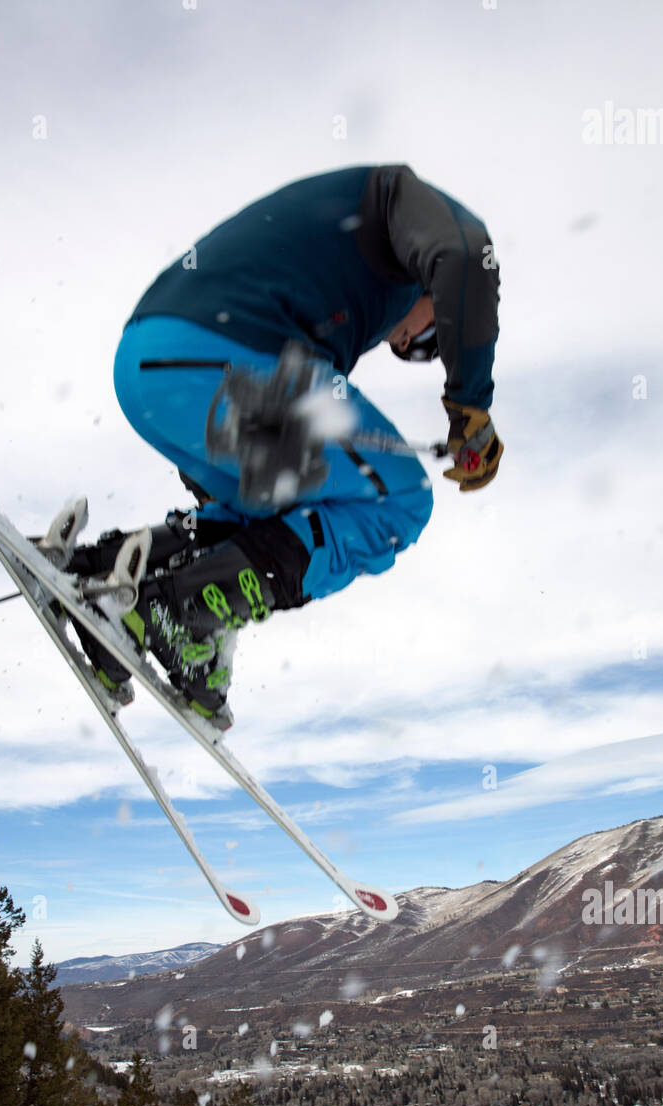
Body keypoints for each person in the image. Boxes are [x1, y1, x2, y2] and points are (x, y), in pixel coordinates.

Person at [70, 164, 503, 728]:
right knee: (397, 503)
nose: (404, 343)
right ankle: (181, 611)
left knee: (286, 511)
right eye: (425, 339)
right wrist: (471, 406)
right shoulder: (402, 200)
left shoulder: (331, 283)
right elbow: (468, 260)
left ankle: (118, 578)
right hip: (225, 353)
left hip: (150, 368)